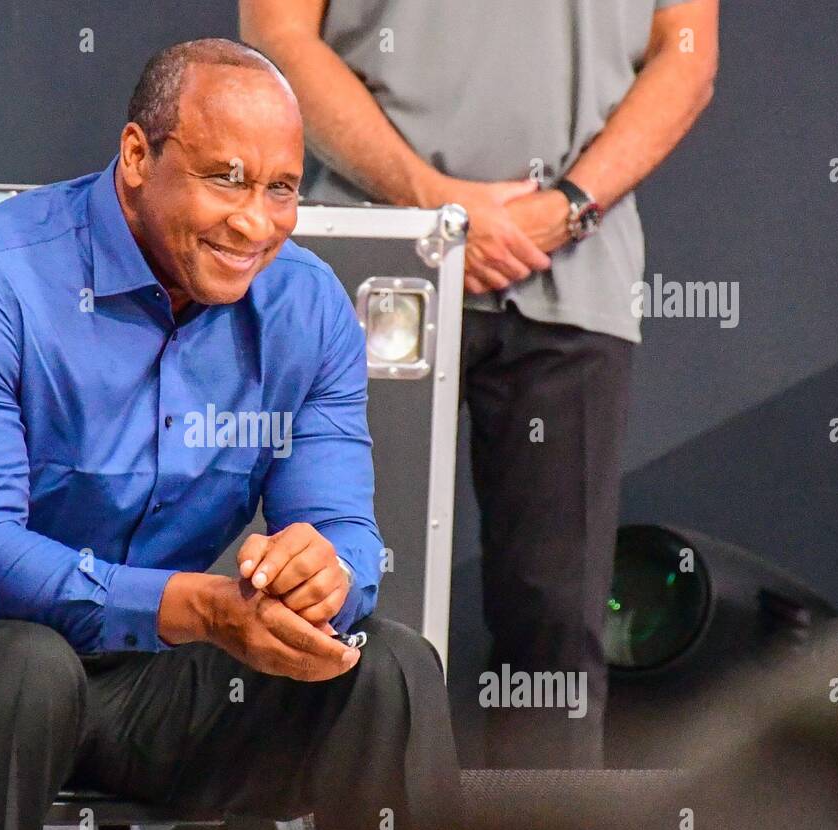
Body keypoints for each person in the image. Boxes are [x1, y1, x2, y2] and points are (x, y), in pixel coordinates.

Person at [0, 38, 462, 830]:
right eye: (226, 178)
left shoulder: (307, 308)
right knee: (29, 667)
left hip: (164, 684)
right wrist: (198, 607)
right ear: (136, 156)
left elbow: (343, 529)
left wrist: (327, 575)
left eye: (282, 189)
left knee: (388, 666)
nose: (255, 222)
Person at [243, 0, 719, 767]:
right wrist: (430, 198)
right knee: (325, 595)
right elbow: (276, 31)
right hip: (368, 263)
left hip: (573, 274)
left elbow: (687, 55)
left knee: (556, 627)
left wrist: (566, 207)